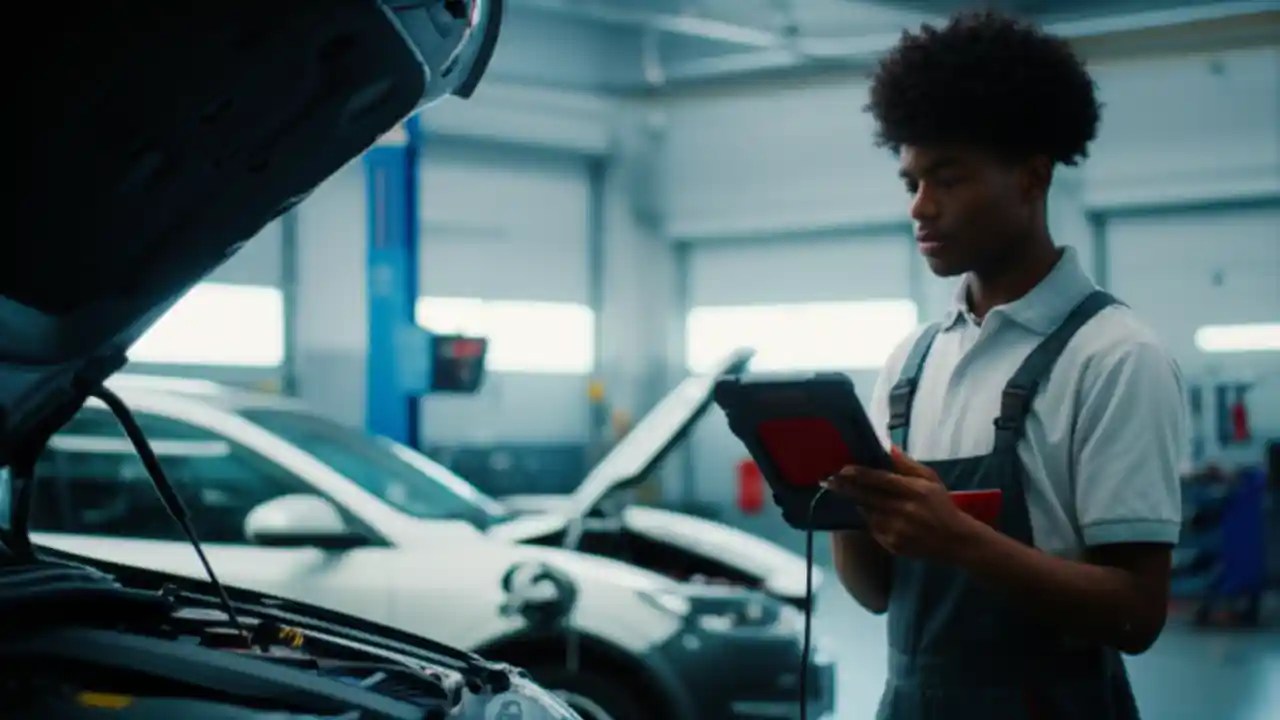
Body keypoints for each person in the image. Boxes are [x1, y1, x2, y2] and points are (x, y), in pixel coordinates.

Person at [822, 10, 1188, 719]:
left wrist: (961, 541)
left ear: (1030, 178)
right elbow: (875, 593)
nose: (921, 208)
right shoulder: (909, 364)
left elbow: (1137, 615)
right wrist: (841, 498)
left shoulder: (1115, 358)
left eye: (947, 180)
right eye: (911, 183)